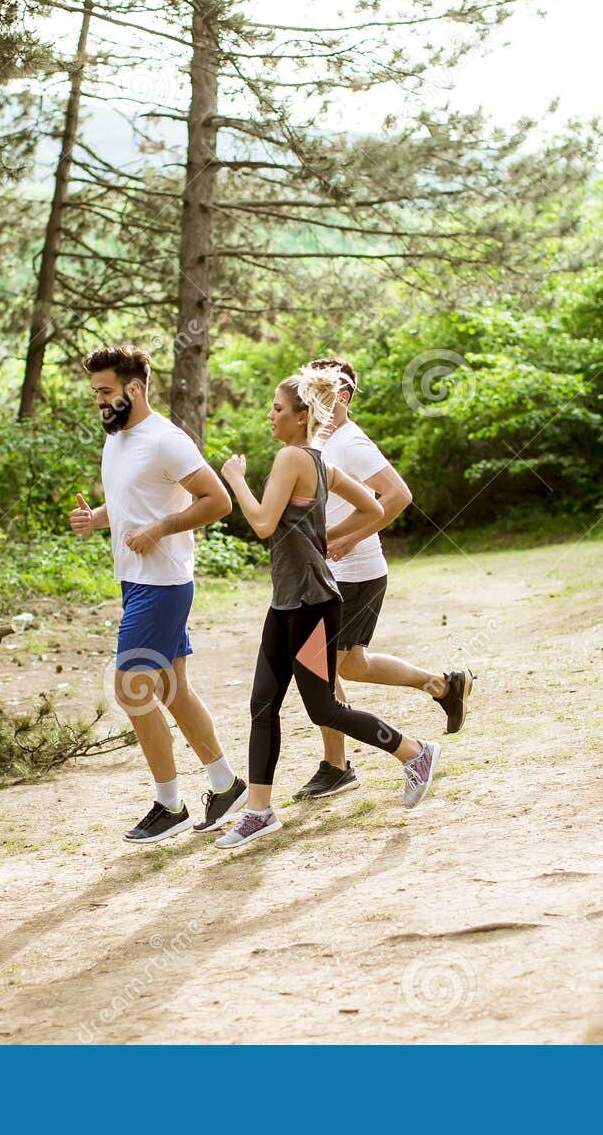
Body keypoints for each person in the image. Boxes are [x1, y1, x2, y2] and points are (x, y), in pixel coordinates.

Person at [213, 367, 445, 849]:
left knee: (323, 706)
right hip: (290, 601)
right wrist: (322, 539)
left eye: (277, 409)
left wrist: (235, 479)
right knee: (264, 702)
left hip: (313, 605)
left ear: (301, 417)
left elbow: (260, 523)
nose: (270, 416)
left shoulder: (292, 458)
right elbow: (374, 510)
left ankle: (415, 751)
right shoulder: (320, 461)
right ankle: (259, 811)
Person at [70, 344, 247, 841]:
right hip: (135, 580)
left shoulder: (166, 440)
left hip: (162, 583)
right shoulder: (119, 437)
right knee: (174, 690)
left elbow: (218, 501)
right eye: (95, 393)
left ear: (135, 388)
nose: (100, 401)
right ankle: (226, 784)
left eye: (106, 392)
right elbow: (133, 499)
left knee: (131, 687)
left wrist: (162, 529)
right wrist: (99, 517)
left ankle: (170, 805)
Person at [292, 358, 471, 802]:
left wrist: (350, 538)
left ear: (344, 395)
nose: (307, 400)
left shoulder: (351, 442)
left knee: (319, 664)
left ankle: (337, 766)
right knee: (349, 664)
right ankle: (443, 684)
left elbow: (398, 495)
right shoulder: (316, 442)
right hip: (335, 571)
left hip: (354, 573)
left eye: (318, 391)